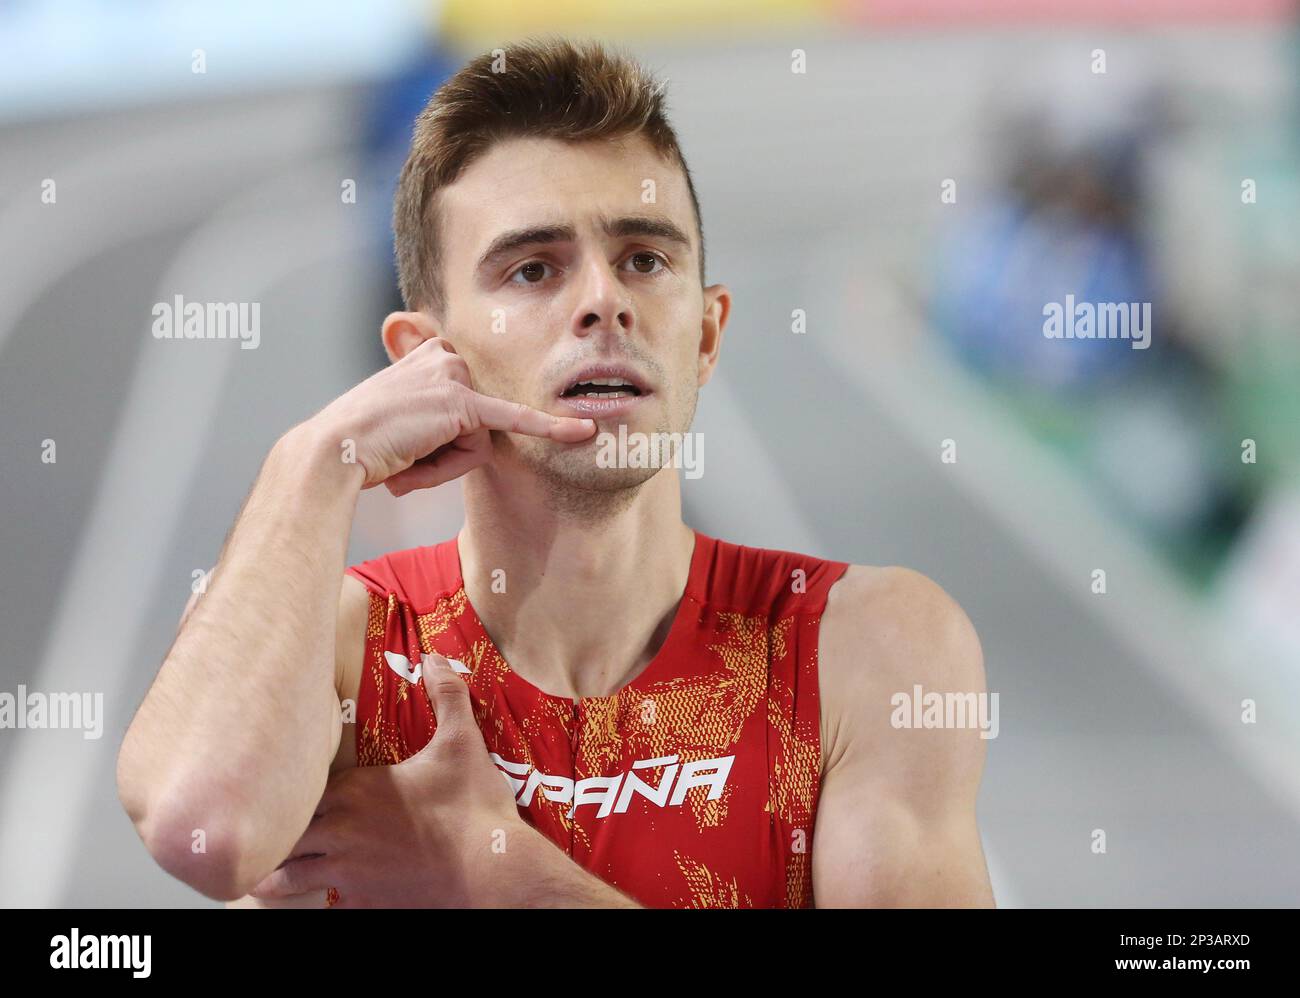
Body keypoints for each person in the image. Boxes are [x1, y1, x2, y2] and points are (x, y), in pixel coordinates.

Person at [116, 37, 995, 909]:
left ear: (705, 334)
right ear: (426, 362)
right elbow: (207, 834)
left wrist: (508, 882)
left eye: (644, 259)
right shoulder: (336, 657)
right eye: (533, 269)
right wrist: (311, 460)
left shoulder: (864, 649)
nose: (603, 300)